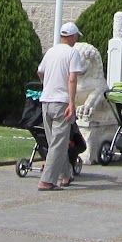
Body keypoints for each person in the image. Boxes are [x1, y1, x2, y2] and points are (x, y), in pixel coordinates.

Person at [35, 22, 87, 190]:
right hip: (61, 101)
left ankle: (65, 174)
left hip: (46, 101)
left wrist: (47, 84)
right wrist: (72, 103)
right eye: (76, 36)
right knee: (59, 143)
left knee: (55, 142)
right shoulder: (73, 53)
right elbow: (72, 79)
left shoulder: (51, 51)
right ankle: (47, 181)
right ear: (72, 37)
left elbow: (40, 72)